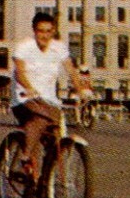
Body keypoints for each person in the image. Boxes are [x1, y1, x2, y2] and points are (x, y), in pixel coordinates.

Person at [11, 13, 91, 180]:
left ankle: (45, 181)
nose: (45, 35)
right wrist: (29, 87)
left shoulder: (59, 48)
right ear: (34, 31)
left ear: (53, 31)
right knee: (40, 118)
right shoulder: (24, 47)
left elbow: (71, 71)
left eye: (48, 31)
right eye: (41, 31)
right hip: (24, 98)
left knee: (56, 137)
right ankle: (24, 157)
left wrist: (81, 89)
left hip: (48, 100)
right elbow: (19, 73)